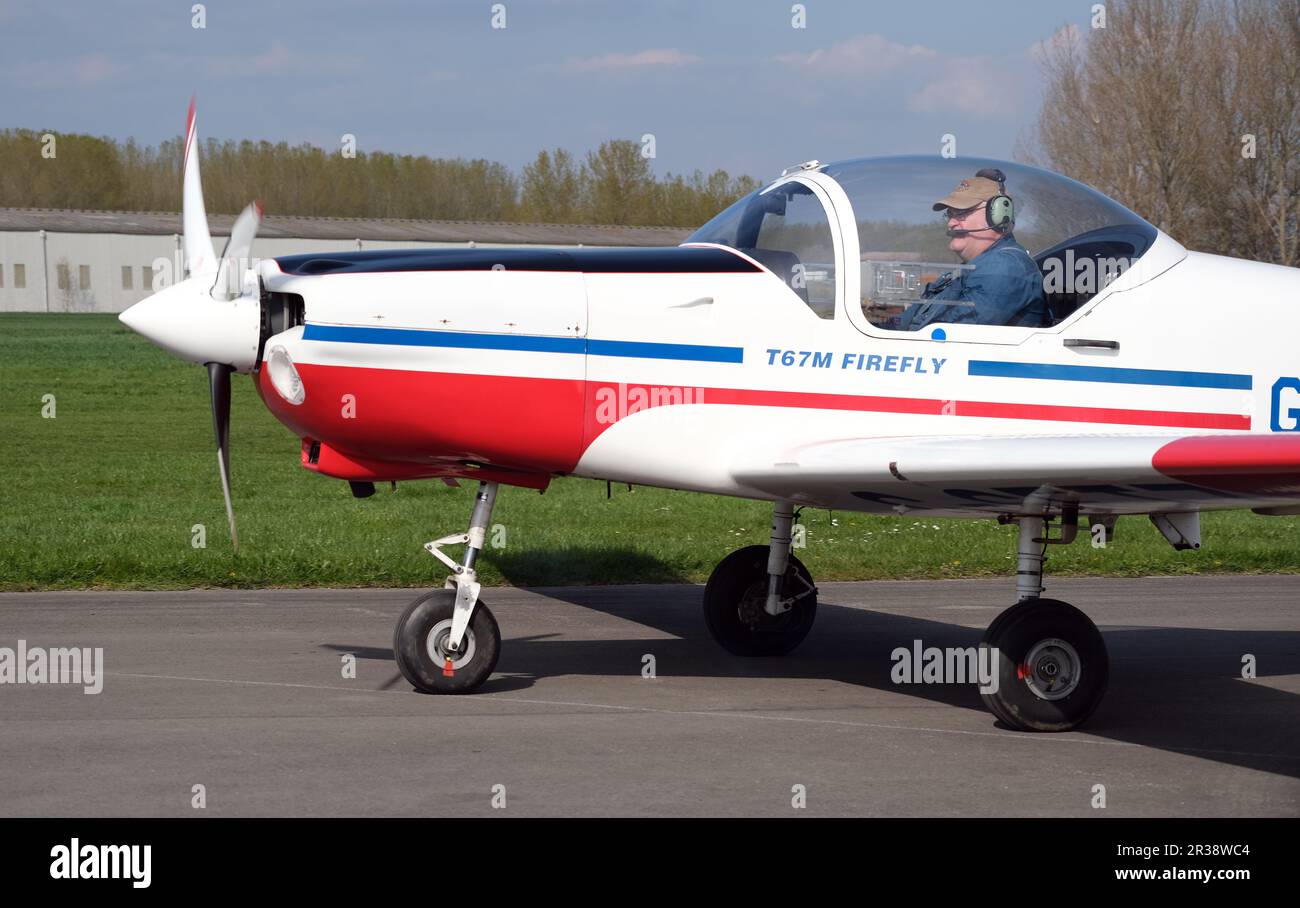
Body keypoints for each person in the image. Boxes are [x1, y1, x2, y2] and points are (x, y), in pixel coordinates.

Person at [898, 169, 1046, 331]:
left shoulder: (1004, 267)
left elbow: (946, 337)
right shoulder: (971, 269)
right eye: (950, 214)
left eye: (961, 213)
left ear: (999, 214)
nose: (951, 223)